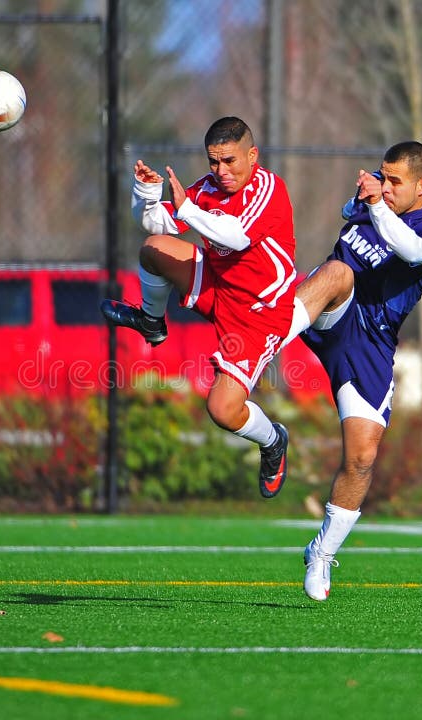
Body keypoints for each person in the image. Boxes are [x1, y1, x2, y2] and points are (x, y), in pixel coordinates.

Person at [283, 141, 422, 601]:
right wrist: (362, 196)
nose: (386, 186)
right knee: (340, 272)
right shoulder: (374, 197)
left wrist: (375, 204)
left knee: (362, 457)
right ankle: (268, 340)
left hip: (371, 340)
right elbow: (348, 212)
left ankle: (321, 553)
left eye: (396, 181)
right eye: (383, 175)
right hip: (331, 306)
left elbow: (412, 252)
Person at [101, 116, 297, 498]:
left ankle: (273, 440)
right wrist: (146, 191)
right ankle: (151, 322)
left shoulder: (268, 187)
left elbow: (237, 237)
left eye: (230, 161)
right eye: (214, 161)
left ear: (252, 156)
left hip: (259, 313)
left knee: (222, 410)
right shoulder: (208, 188)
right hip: (218, 285)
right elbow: (155, 223)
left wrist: (188, 209)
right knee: (154, 250)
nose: (221, 171)